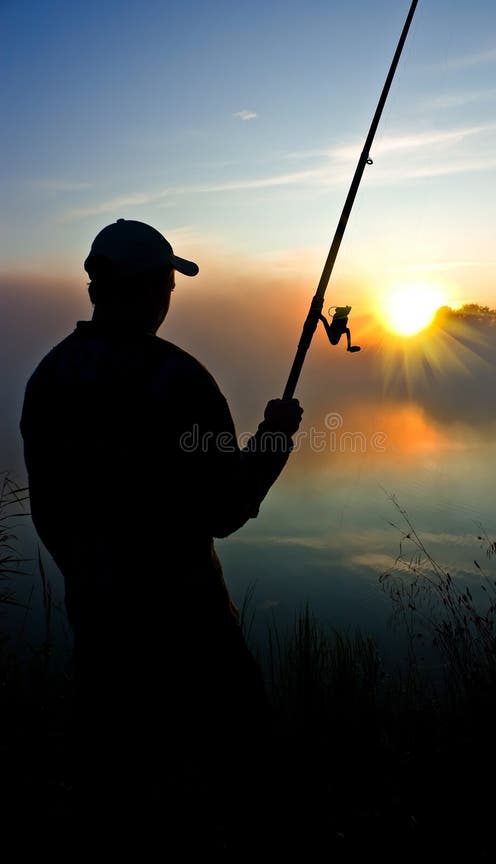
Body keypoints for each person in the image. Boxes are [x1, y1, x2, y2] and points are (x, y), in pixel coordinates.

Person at [20, 219, 303, 825]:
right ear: (154, 289)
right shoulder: (179, 381)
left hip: (99, 632)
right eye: (166, 284)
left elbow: (48, 514)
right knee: (240, 785)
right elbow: (227, 509)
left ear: (96, 289)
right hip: (193, 634)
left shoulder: (48, 380)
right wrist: (275, 436)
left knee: (118, 796)